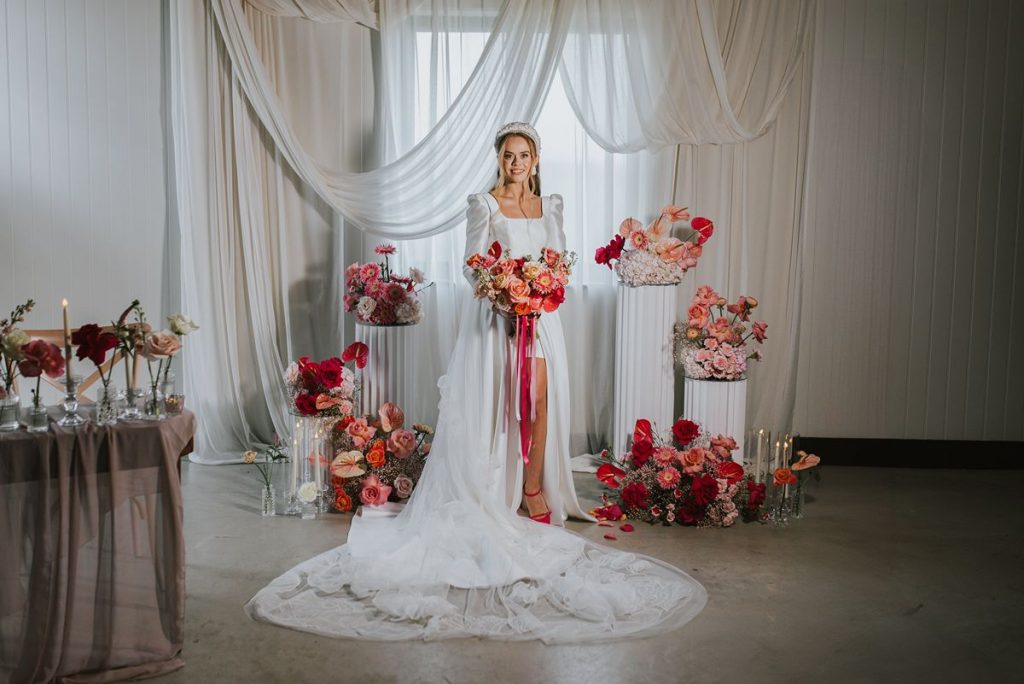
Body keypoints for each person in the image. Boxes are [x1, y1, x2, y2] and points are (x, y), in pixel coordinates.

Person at [245, 123, 707, 643]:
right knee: (497, 404)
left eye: (524, 154)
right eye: (509, 155)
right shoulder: (483, 205)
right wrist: (504, 296)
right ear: (499, 159)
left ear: (535, 159)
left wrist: (539, 291)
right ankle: (497, 487)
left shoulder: (550, 205)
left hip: (541, 320)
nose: (516, 162)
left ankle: (533, 487)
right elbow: (471, 266)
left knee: (540, 399)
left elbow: (558, 264)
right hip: (496, 320)